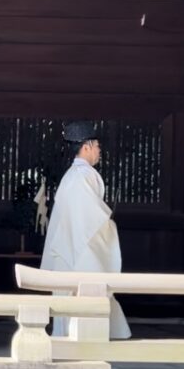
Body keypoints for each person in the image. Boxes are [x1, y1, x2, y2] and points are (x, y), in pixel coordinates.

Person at [40, 121, 131, 339]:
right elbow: (90, 218)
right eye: (98, 146)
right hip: (79, 251)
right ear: (87, 146)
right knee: (84, 300)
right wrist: (108, 223)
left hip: (66, 248)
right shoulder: (83, 175)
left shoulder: (72, 176)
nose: (100, 151)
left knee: (68, 304)